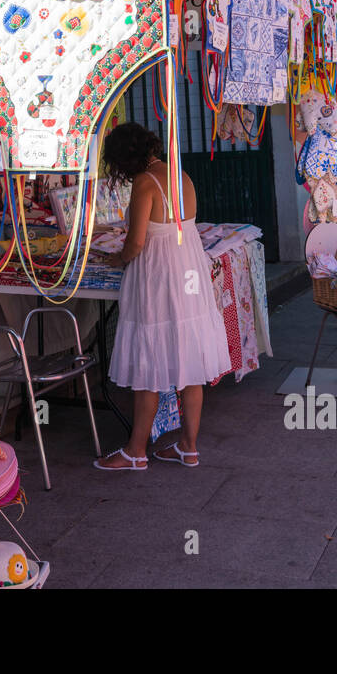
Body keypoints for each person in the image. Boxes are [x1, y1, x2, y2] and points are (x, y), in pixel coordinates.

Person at [94, 122, 230, 471]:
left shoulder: (144, 183)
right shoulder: (179, 175)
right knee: (189, 365)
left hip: (158, 276)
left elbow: (136, 243)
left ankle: (136, 451)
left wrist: (115, 258)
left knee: (149, 362)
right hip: (188, 270)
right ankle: (189, 446)